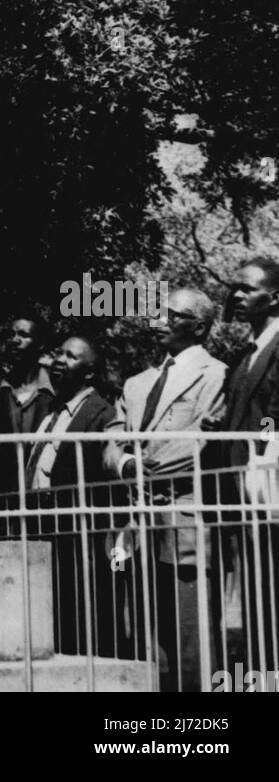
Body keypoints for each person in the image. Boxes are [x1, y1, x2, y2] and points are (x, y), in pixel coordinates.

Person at [104, 287, 225, 691]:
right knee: (144, 642)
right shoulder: (137, 383)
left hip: (185, 522)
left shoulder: (217, 375)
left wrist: (147, 472)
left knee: (191, 646)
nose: (158, 321)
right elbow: (111, 440)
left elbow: (203, 442)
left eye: (171, 315)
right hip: (137, 526)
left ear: (200, 326)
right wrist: (126, 464)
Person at [26, 332, 116, 656]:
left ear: (90, 373)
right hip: (45, 533)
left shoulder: (102, 413)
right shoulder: (51, 411)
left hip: (80, 537)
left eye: (71, 356)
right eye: (59, 353)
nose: (59, 361)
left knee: (85, 626)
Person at [215, 258, 279, 673]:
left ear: (273, 297)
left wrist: (266, 445)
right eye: (234, 288)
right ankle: (262, 670)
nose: (236, 295)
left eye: (247, 289)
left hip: (269, 482)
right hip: (241, 488)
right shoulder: (244, 353)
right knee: (257, 584)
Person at [0, 318, 54, 527]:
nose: (14, 341)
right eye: (12, 335)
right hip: (0, 517)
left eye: (24, 335)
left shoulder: (58, 397)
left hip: (47, 514)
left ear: (41, 345)